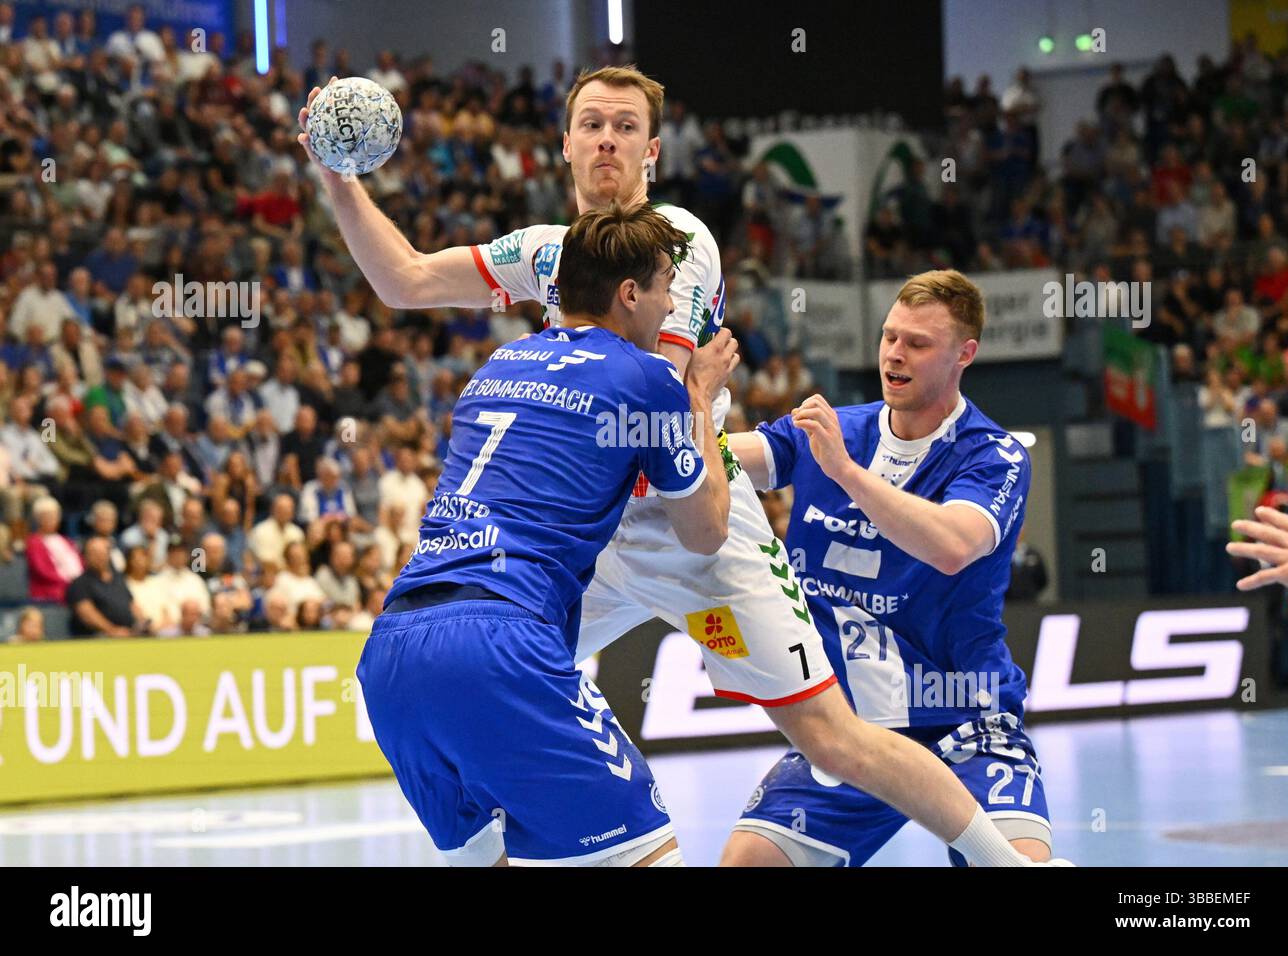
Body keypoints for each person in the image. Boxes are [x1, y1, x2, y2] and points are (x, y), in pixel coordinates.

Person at [303, 67, 1059, 868]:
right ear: (562, 146)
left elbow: (662, 406)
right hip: (586, 537)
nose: (605, 139)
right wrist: (338, 177)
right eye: (590, 124)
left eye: (625, 127)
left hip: (692, 509)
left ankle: (1003, 863)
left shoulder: (677, 241)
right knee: (505, 680)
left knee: (833, 739)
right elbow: (404, 278)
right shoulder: (546, 252)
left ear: (652, 152)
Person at [359, 203, 730, 866]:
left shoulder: (500, 362)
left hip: (393, 653)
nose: (673, 304)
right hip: (501, 641)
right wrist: (698, 392)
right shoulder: (649, 378)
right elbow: (705, 533)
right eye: (666, 288)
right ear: (629, 294)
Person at [721, 270, 1054, 866]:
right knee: (749, 861)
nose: (895, 354)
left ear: (964, 355)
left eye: (918, 344)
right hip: (852, 735)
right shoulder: (834, 429)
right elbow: (720, 463)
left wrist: (847, 473)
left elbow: (953, 545)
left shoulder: (993, 455)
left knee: (1020, 865)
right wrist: (675, 416)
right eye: (889, 336)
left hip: (967, 722)